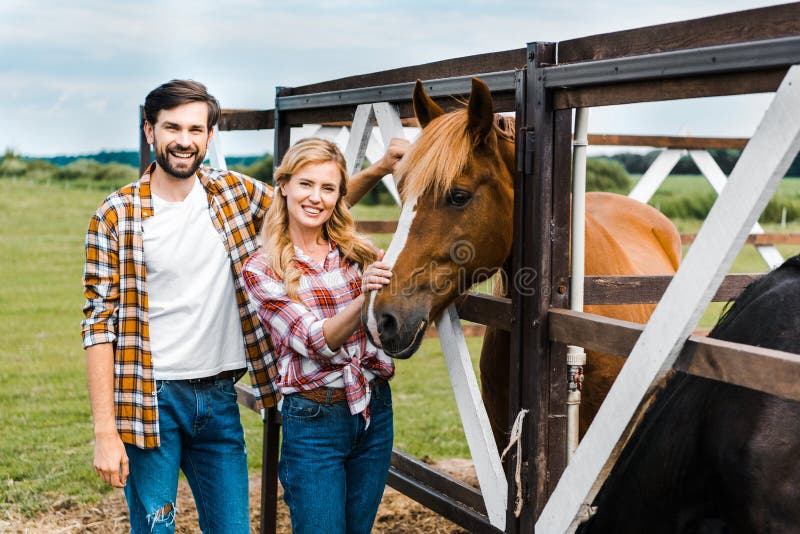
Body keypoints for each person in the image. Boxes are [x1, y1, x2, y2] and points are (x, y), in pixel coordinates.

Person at [81, 79, 405, 533]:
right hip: (152, 398)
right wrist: (104, 432)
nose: (184, 140)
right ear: (149, 131)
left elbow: (312, 202)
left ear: (209, 137)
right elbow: (98, 326)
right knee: (156, 527)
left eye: (196, 129)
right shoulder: (116, 214)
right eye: (172, 127)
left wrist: (381, 169)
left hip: (219, 397)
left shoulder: (231, 195)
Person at [243, 137, 400, 534]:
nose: (316, 197)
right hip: (314, 419)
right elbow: (315, 340)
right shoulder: (262, 268)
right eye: (306, 184)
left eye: (328, 188)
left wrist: (384, 165)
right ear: (284, 185)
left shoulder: (357, 252)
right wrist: (364, 296)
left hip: (373, 409)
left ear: (339, 197)